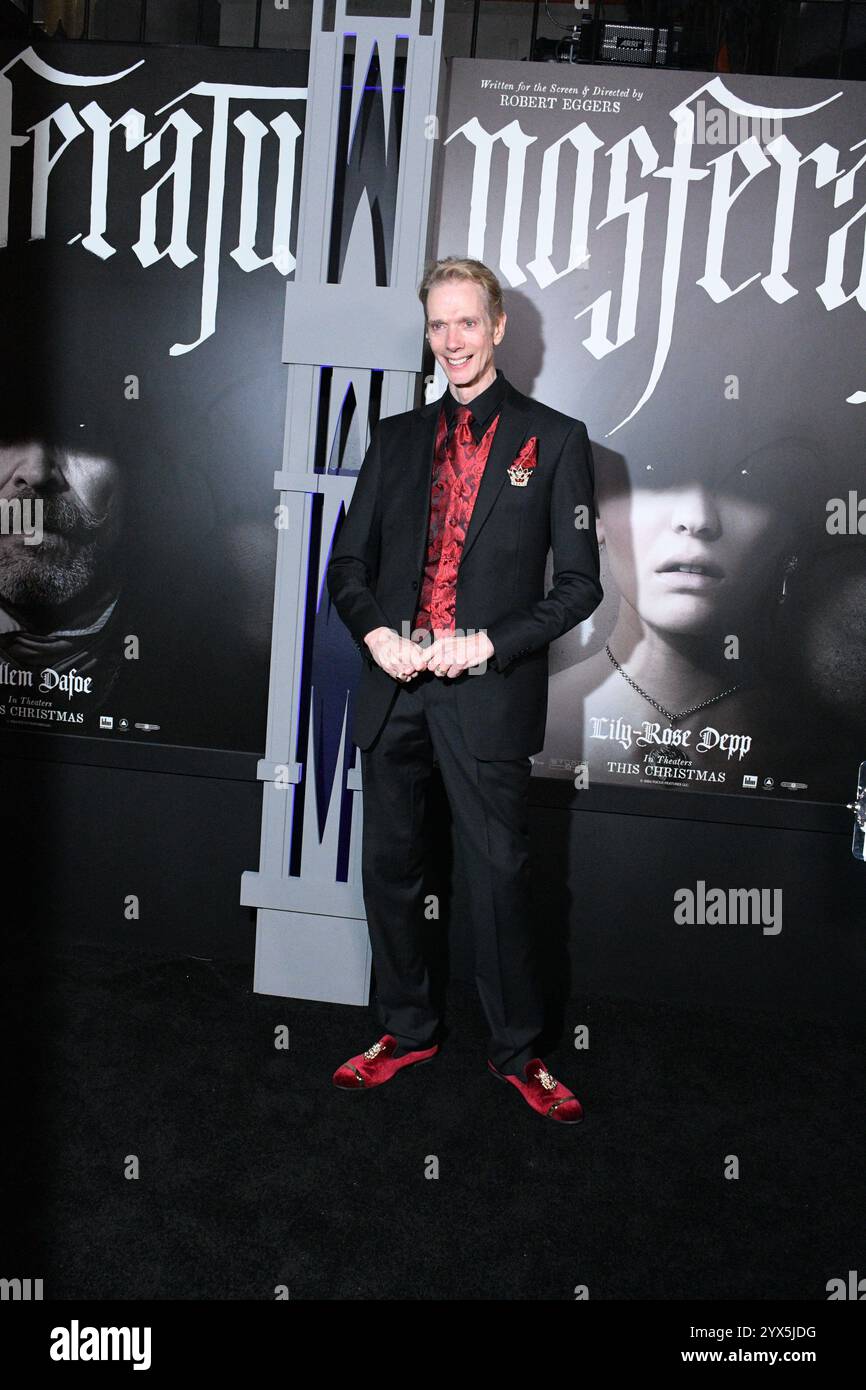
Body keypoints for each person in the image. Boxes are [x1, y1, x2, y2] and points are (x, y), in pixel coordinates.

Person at [325, 257, 602, 1124]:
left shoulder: (555, 439)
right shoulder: (397, 438)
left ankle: (518, 1051)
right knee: (392, 870)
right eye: (437, 325)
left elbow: (580, 585)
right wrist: (376, 633)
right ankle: (406, 1030)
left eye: (466, 323)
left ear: (499, 327)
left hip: (488, 694)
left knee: (501, 879)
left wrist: (487, 642)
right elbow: (348, 565)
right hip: (394, 689)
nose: (451, 341)